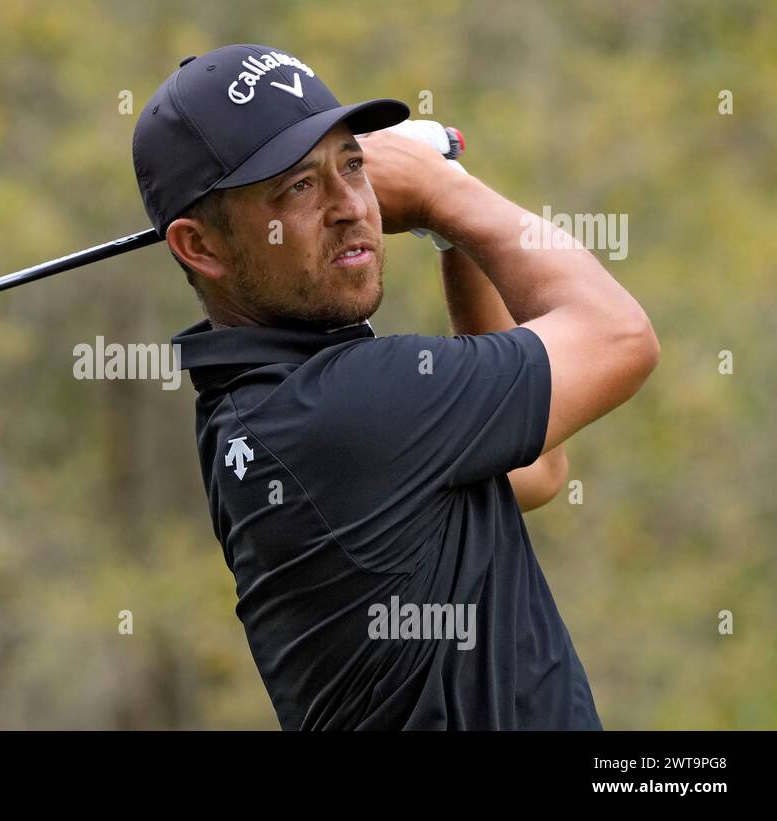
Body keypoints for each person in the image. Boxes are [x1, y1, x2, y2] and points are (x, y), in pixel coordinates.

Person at [132, 44, 659, 730]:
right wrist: (448, 193)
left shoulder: (257, 407)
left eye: (353, 165)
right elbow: (621, 337)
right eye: (298, 186)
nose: (351, 206)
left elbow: (534, 467)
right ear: (199, 246)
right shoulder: (341, 407)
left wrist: (449, 234)